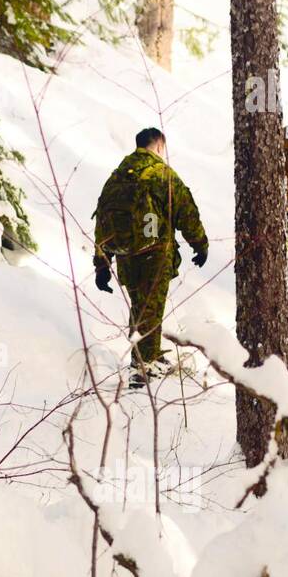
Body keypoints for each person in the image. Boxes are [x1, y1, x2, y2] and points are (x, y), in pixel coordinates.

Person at [93, 127, 208, 388]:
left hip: (126, 254)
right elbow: (186, 212)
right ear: (159, 146)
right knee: (151, 307)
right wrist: (200, 244)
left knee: (139, 305)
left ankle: (146, 356)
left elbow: (103, 219)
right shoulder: (160, 173)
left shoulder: (118, 175)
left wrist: (102, 263)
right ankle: (144, 369)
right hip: (154, 252)